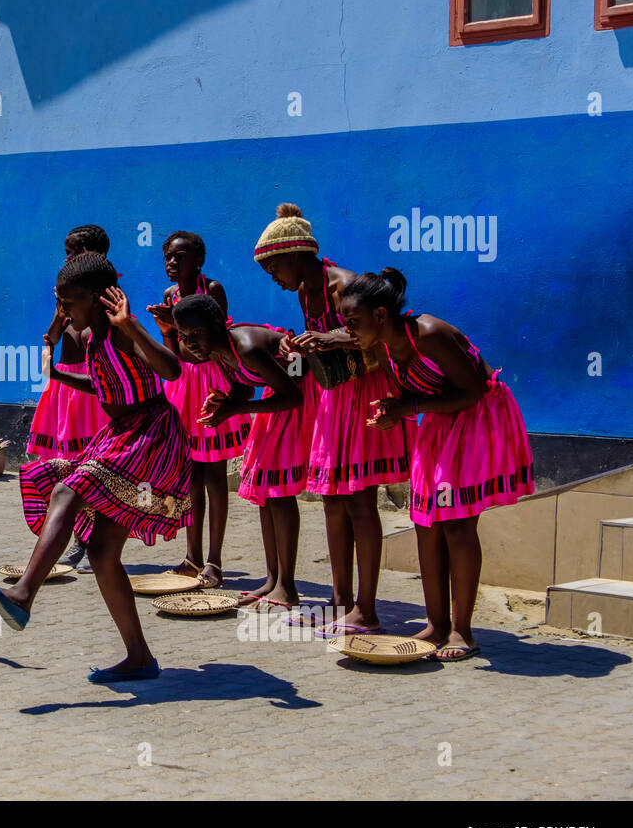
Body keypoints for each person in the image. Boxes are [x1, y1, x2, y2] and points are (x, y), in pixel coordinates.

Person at [0, 254, 190, 683]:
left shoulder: (123, 332)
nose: (62, 309)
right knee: (104, 555)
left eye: (68, 301)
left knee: (69, 490)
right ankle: (139, 657)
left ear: (95, 297)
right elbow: (107, 384)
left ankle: (23, 593)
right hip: (122, 432)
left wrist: (133, 326)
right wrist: (60, 375)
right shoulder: (89, 336)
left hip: (150, 436)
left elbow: (172, 369)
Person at [343, 268, 534, 661]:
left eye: (352, 321)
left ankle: (463, 631)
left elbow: (474, 390)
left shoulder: (429, 333)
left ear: (380, 315)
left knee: (458, 524)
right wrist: (391, 413)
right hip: (438, 425)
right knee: (426, 523)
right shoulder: (381, 347)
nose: (347, 330)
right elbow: (411, 396)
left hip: (477, 420)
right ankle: (436, 625)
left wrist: (408, 407)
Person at [255, 204, 414, 636]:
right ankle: (340, 600)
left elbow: (376, 335)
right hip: (330, 397)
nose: (273, 277)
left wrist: (326, 337)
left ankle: (367, 608)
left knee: (360, 500)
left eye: (274, 267)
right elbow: (326, 349)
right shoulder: (306, 292)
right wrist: (302, 349)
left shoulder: (342, 284)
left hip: (362, 395)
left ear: (295, 255)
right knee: (330, 499)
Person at [171, 294, 316, 611]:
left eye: (196, 334)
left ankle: (287, 587)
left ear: (215, 325)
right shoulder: (219, 352)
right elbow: (246, 386)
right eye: (183, 336)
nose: (190, 342)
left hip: (297, 402)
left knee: (278, 492)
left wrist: (237, 408)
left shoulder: (246, 346)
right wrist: (225, 401)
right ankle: (272, 578)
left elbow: (292, 395)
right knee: (265, 492)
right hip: (274, 405)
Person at [147, 231, 252, 586]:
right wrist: (165, 329)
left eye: (180, 256)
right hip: (182, 386)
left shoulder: (213, 291)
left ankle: (215, 560)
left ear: (199, 261)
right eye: (168, 257)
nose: (172, 262)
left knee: (214, 476)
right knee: (190, 475)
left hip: (211, 383)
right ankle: (191, 557)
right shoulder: (169, 297)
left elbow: (212, 345)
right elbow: (176, 355)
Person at [26, 225, 112, 567]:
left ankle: (94, 540)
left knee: (95, 467)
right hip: (64, 389)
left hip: (92, 388)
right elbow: (52, 337)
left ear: (93, 255)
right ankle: (78, 538)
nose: (66, 258)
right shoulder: (67, 297)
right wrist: (58, 317)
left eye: (72, 251)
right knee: (67, 465)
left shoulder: (105, 298)